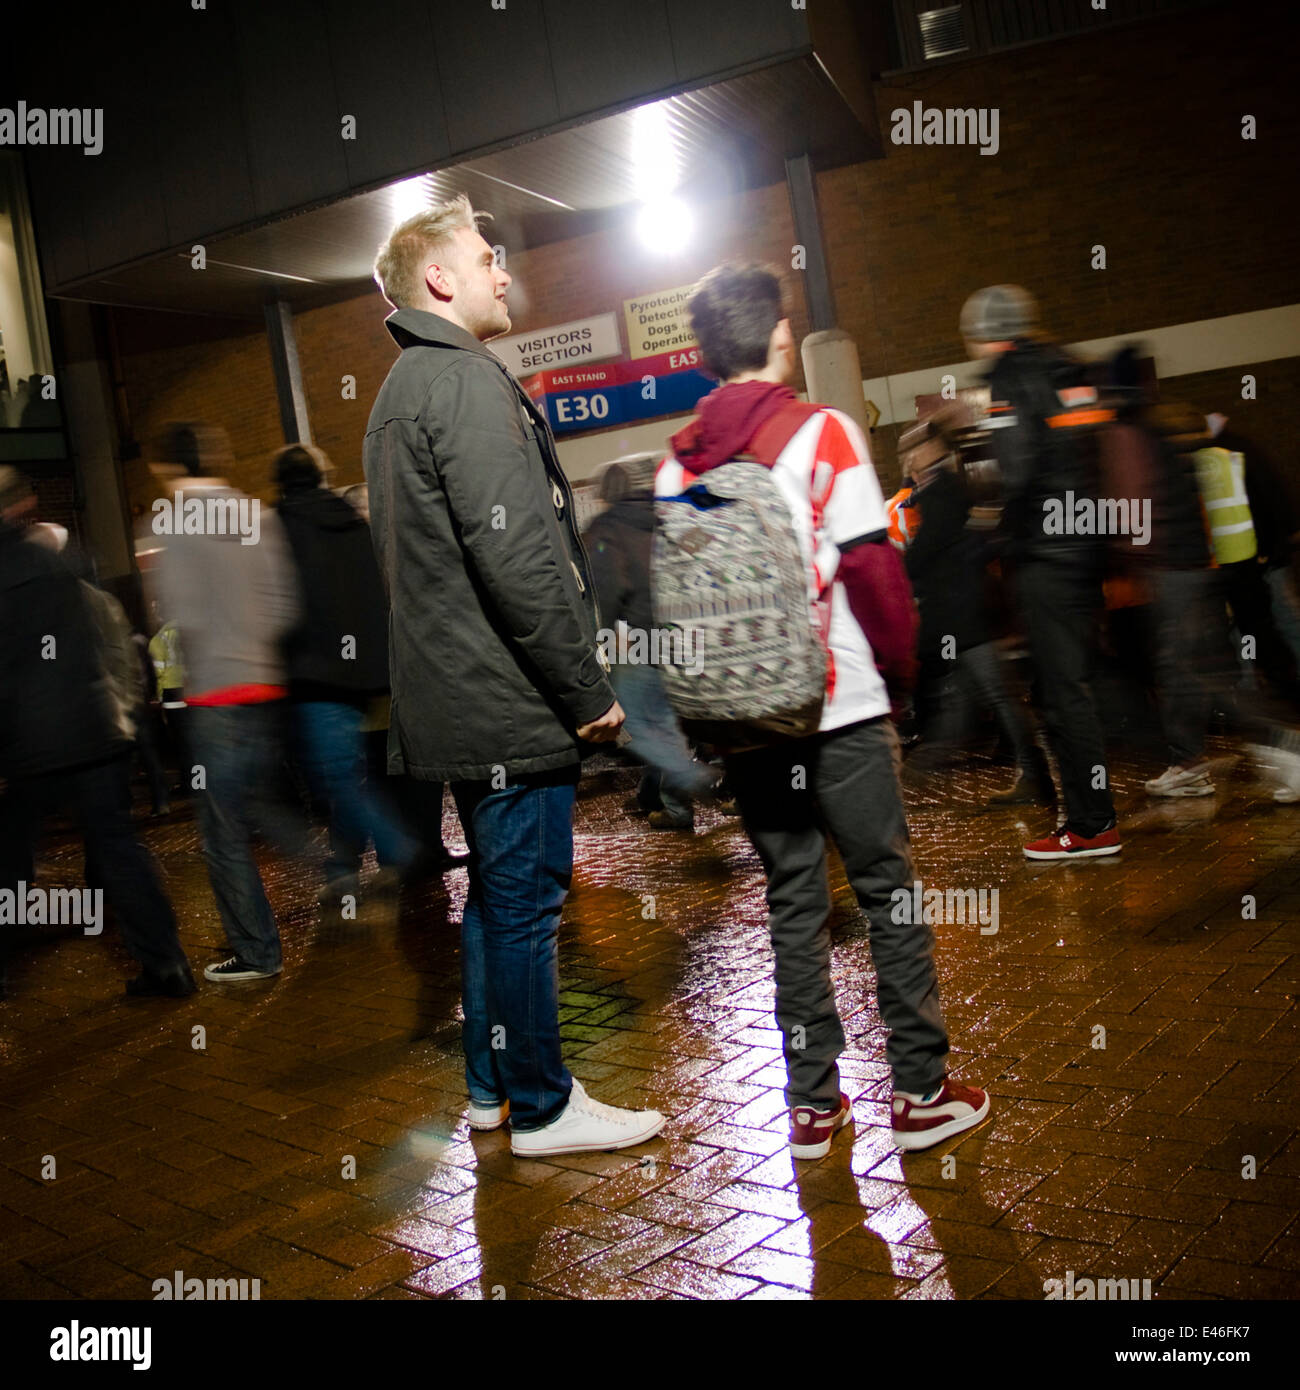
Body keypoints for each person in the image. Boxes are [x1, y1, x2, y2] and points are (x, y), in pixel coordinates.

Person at [658, 262, 989, 1157]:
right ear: (776, 335)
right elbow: (876, 574)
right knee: (887, 895)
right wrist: (902, 673)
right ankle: (920, 1093)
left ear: (702, 352)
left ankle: (812, 1106)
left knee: (793, 905)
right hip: (840, 707)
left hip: (750, 724)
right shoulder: (824, 431)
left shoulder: (675, 465)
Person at [365, 195, 663, 1157]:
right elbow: (521, 562)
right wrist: (588, 692)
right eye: (486, 257)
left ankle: (495, 1088)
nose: (504, 270)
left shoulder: (407, 388)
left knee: (498, 902)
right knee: (526, 906)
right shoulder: (461, 382)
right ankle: (543, 1103)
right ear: (439, 279)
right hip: (507, 701)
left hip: (464, 698)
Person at [0, 467, 194, 999]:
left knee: (10, 858)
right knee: (119, 851)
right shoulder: (61, 563)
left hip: (28, 742)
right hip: (92, 730)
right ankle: (167, 964)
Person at [961, 285, 1120, 860]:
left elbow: (1018, 466)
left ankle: (1090, 824)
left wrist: (992, 528)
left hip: (1045, 555)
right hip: (1083, 547)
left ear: (986, 331)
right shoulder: (1069, 367)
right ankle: (1093, 816)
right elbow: (1091, 454)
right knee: (1074, 687)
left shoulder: (1008, 376)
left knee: (1060, 694)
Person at [148, 422, 306, 983]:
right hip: (264, 683)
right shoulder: (255, 515)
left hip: (215, 691)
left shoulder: (176, 522)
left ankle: (258, 952)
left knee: (223, 830)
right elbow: (285, 606)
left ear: (166, 467)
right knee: (261, 801)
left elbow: (180, 614)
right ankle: (332, 869)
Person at [273, 442, 418, 905]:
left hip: (316, 674)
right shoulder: (351, 523)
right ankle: (347, 866)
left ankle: (397, 846)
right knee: (351, 772)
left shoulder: (278, 529)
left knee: (334, 775)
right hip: (367, 672)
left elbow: (282, 606)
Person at [584, 453, 719, 830]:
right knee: (669, 726)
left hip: (638, 640)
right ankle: (672, 807)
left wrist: (604, 640)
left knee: (637, 727)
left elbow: (608, 591)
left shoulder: (607, 528)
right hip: (686, 638)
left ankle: (699, 780)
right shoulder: (668, 516)